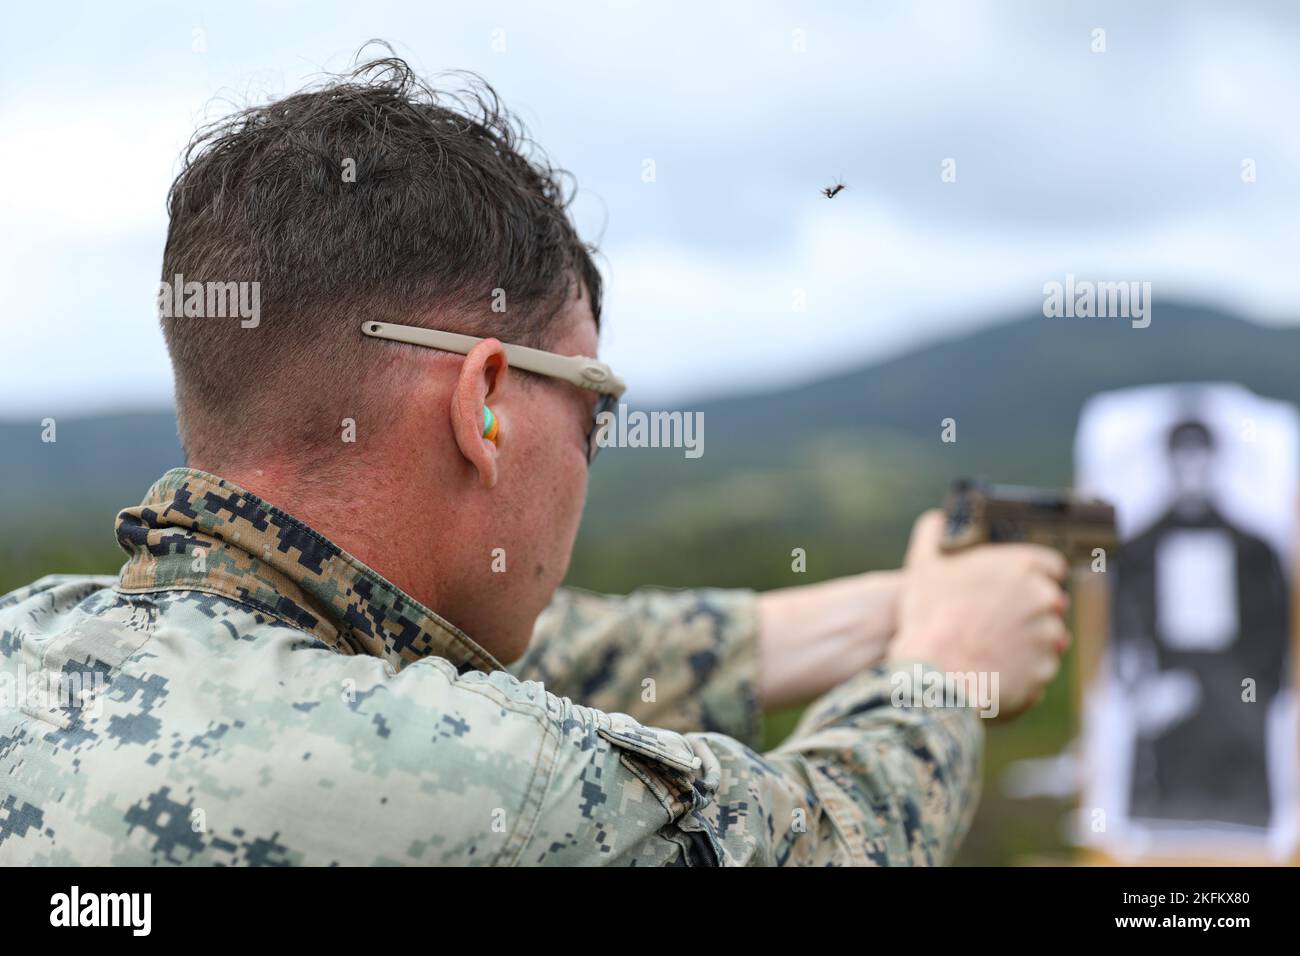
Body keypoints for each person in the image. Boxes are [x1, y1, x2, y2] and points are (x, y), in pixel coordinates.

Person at [0, 56, 1069, 866]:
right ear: (488, 407)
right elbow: (830, 839)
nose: (593, 448)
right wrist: (938, 670)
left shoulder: (37, 641)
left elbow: (522, 652)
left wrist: (879, 610)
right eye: (593, 406)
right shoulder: (473, 777)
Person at [1113, 418, 1289, 828]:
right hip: (1167, 705)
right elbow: (1123, 636)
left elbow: (1273, 640)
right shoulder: (1138, 550)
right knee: (1166, 822)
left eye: (1199, 458)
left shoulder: (1255, 550)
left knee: (1237, 824)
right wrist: (1144, 688)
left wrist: (1240, 695)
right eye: (1182, 458)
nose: (1191, 470)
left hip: (1233, 708)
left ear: (1213, 462)